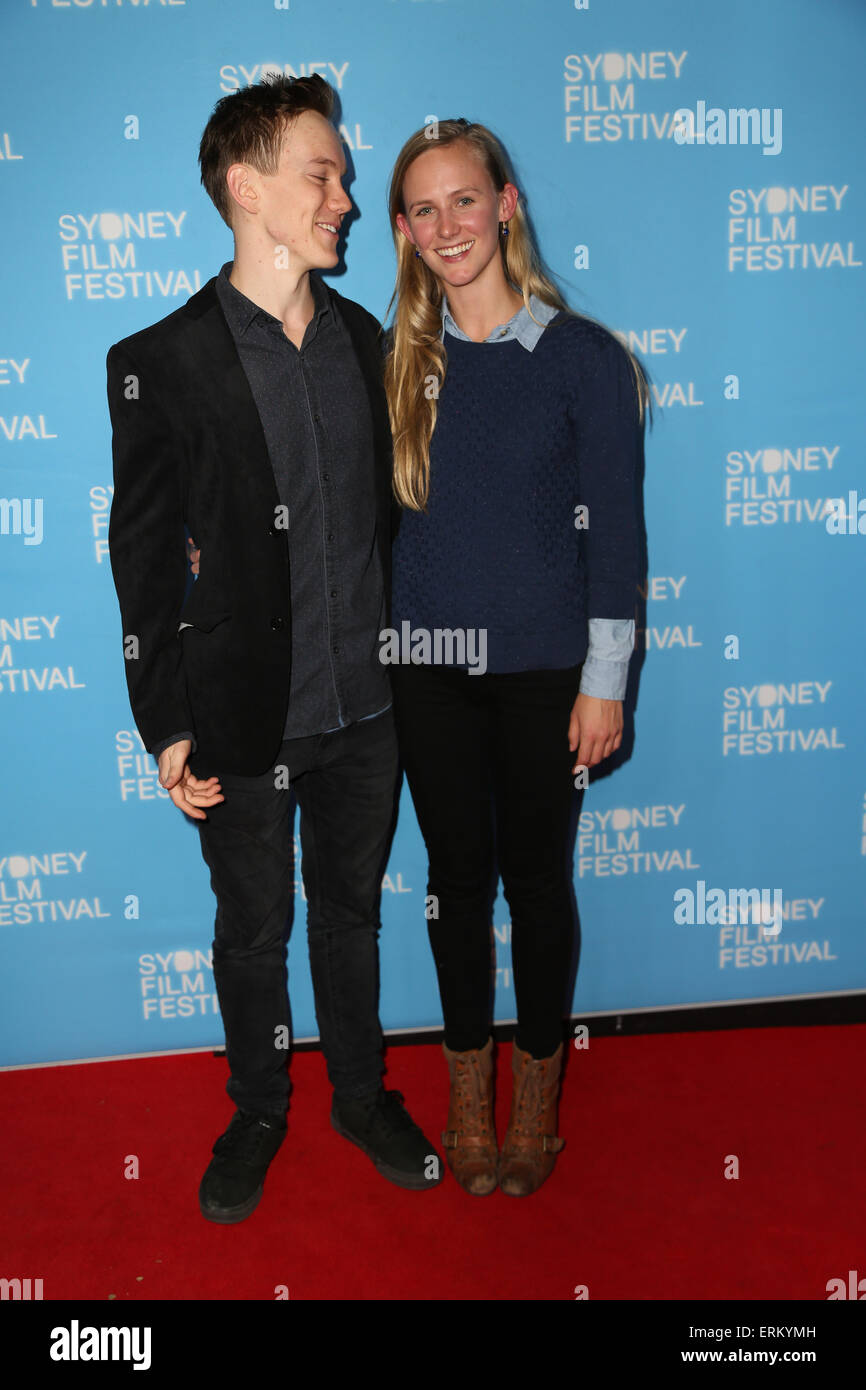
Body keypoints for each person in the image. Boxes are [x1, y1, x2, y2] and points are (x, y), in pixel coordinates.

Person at [106, 74, 441, 1225]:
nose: (345, 196)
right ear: (245, 189)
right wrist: (165, 722)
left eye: (344, 175)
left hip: (365, 713)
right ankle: (258, 1106)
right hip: (241, 716)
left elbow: (402, 531)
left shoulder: (367, 342)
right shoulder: (160, 360)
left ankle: (359, 1093)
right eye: (323, 172)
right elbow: (143, 562)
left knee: (352, 916)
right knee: (253, 932)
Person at [382, 118, 647, 1197]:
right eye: (422, 208)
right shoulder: (395, 360)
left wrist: (604, 681)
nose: (446, 224)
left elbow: (619, 537)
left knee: (537, 883)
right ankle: (464, 1093)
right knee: (453, 883)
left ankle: (534, 1097)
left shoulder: (580, 357)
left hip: (547, 674)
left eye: (462, 199)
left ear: (505, 204)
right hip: (427, 668)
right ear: (401, 230)